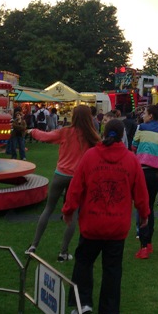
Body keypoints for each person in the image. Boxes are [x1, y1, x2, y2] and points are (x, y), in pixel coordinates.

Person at [62, 118, 150, 314]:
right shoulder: (130, 160)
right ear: (122, 136)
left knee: (83, 262)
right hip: (117, 226)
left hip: (92, 223)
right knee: (112, 269)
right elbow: (141, 193)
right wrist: (144, 215)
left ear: (103, 133)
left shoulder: (90, 156)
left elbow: (75, 188)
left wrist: (68, 210)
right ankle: (109, 311)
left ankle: (81, 302)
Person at [25, 104, 101, 261]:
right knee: (72, 213)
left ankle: (33, 245)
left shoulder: (65, 132)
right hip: (78, 179)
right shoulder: (91, 136)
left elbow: (45, 136)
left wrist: (31, 131)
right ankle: (63, 252)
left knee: (48, 209)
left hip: (60, 174)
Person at [131, 103, 158, 258]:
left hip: (142, 171)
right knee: (152, 203)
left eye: (144, 113)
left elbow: (133, 146)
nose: (143, 115)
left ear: (150, 116)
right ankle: (148, 243)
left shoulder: (142, 128)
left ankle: (144, 245)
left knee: (143, 206)